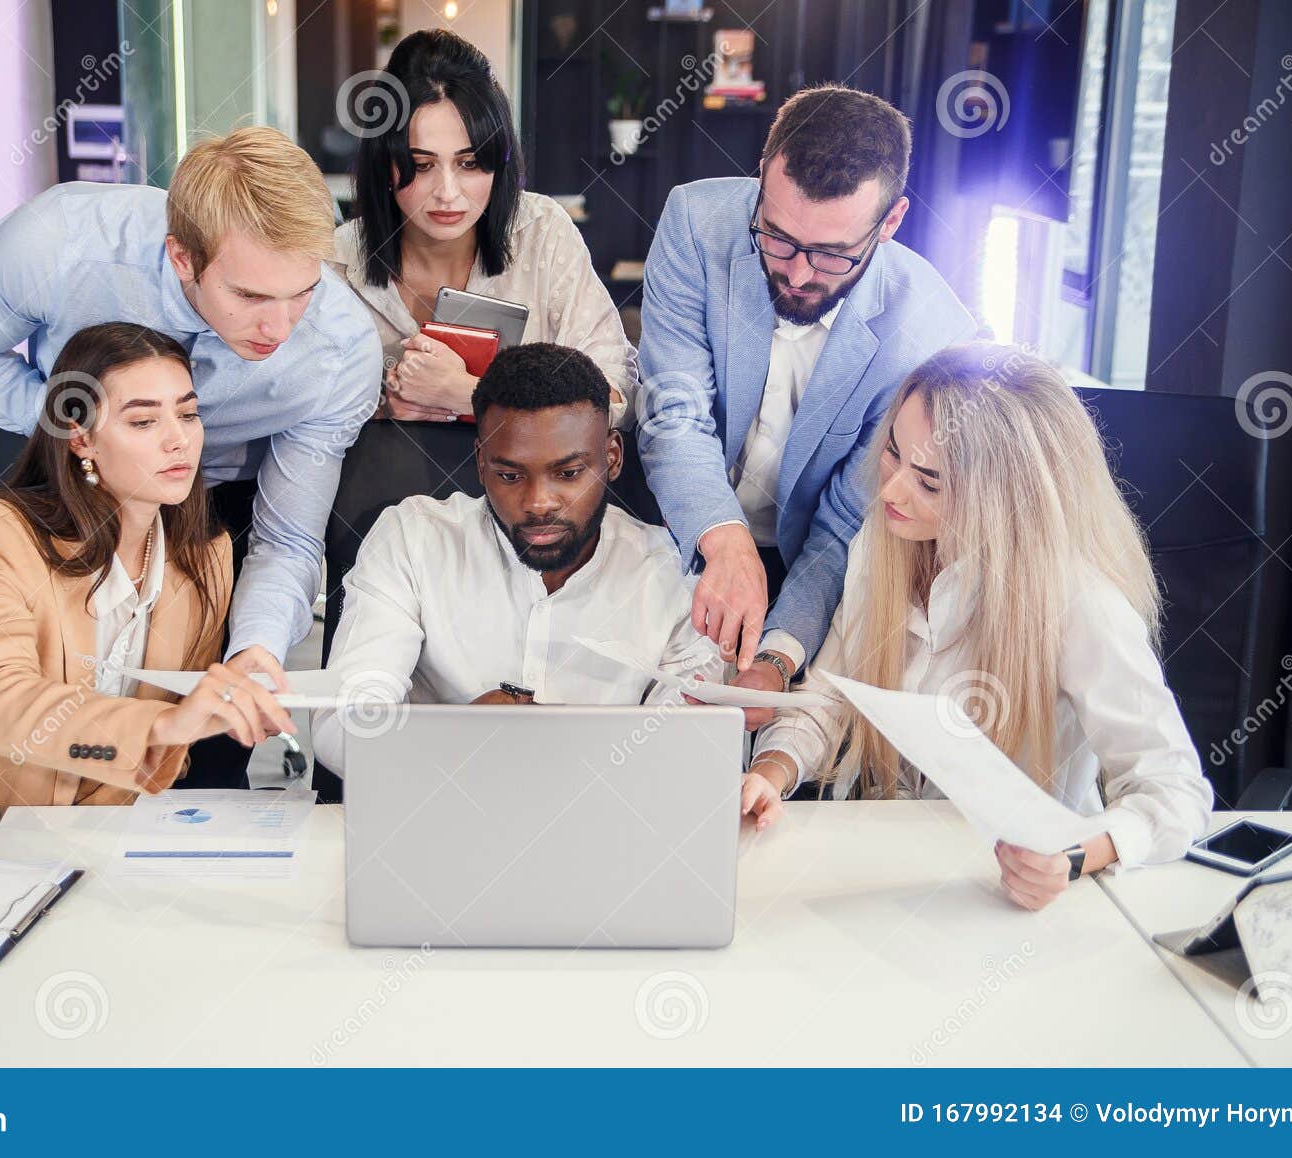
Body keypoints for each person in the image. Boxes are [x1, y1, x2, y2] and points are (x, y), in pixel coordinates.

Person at [739, 345, 1214, 910]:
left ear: (1004, 496)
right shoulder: (884, 542)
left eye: (929, 481)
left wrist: (1075, 856)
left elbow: (1176, 790)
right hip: (899, 876)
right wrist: (773, 769)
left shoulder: (1079, 602)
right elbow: (830, 697)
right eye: (892, 451)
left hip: (1023, 901)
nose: (890, 491)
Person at [0, 126, 380, 694]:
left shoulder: (341, 350)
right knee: (37, 718)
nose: (279, 329)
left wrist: (254, 651)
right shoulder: (58, 244)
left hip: (216, 515)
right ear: (182, 258)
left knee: (199, 748)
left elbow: (287, 539)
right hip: (67, 490)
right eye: (250, 297)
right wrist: (85, 428)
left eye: (303, 292)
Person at [637, 83, 978, 717]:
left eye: (831, 254)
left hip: (821, 567)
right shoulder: (695, 222)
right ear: (763, 178)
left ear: (891, 222)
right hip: (683, 525)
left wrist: (777, 657)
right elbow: (673, 413)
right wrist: (725, 539)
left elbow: (848, 521)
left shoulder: (928, 332)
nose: (796, 273)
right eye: (778, 236)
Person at [0, 323, 295, 808]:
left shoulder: (206, 556)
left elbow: (171, 747)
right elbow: (0, 702)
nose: (178, 440)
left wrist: (211, 715)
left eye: (187, 414)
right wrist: (162, 726)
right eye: (143, 422)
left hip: (109, 839)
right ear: (80, 439)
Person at [312, 343, 721, 774]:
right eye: (510, 475)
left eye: (568, 474)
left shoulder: (672, 570)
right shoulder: (412, 540)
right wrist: (459, 739)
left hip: (607, 825)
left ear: (612, 458)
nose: (539, 502)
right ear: (481, 463)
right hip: (436, 821)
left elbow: (691, 745)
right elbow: (343, 724)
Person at [332, 29, 636, 426]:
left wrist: (468, 394)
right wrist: (384, 409)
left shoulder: (541, 233)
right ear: (384, 166)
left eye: (470, 163)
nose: (447, 193)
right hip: (386, 484)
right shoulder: (336, 260)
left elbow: (615, 397)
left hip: (521, 487)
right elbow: (302, 420)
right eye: (421, 166)